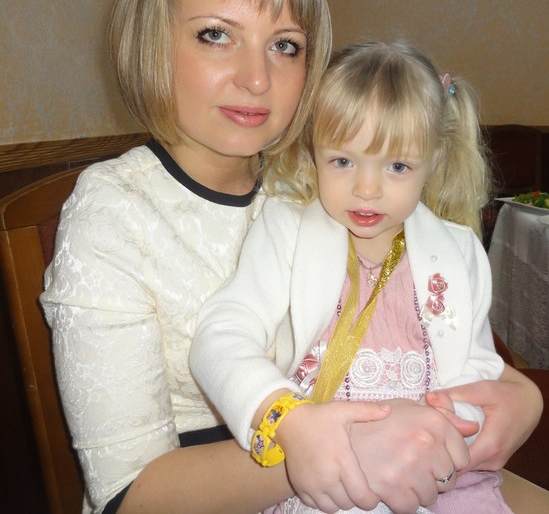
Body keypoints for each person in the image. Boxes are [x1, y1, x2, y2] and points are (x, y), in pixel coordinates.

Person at [39, 0, 541, 512]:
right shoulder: (112, 212)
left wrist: (522, 397)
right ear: (152, 41)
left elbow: (427, 316)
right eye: (215, 34)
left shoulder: (319, 182)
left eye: (284, 45)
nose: (257, 78)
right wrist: (341, 447)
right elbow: (126, 495)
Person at [191, 42, 526, 513]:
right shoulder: (286, 231)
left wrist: (445, 428)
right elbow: (220, 337)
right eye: (343, 161)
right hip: (326, 473)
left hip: (438, 475)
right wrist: (286, 419)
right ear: (313, 150)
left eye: (398, 166)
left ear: (433, 159)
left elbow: (478, 370)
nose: (367, 189)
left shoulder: (460, 251)